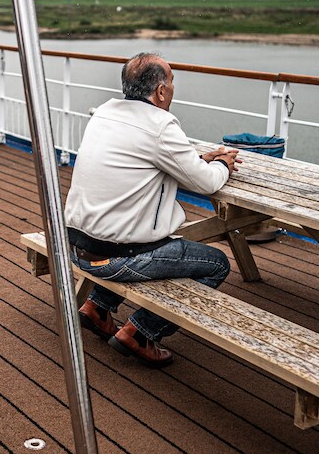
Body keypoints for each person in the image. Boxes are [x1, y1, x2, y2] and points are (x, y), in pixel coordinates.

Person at [64, 53, 240, 368]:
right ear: (160, 92)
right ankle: (142, 331)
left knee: (139, 235)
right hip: (116, 259)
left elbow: (152, 157)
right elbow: (208, 183)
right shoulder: (160, 125)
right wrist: (222, 164)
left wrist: (199, 159)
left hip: (79, 248)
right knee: (216, 264)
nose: (172, 88)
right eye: (171, 82)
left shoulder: (105, 112)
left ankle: (97, 308)